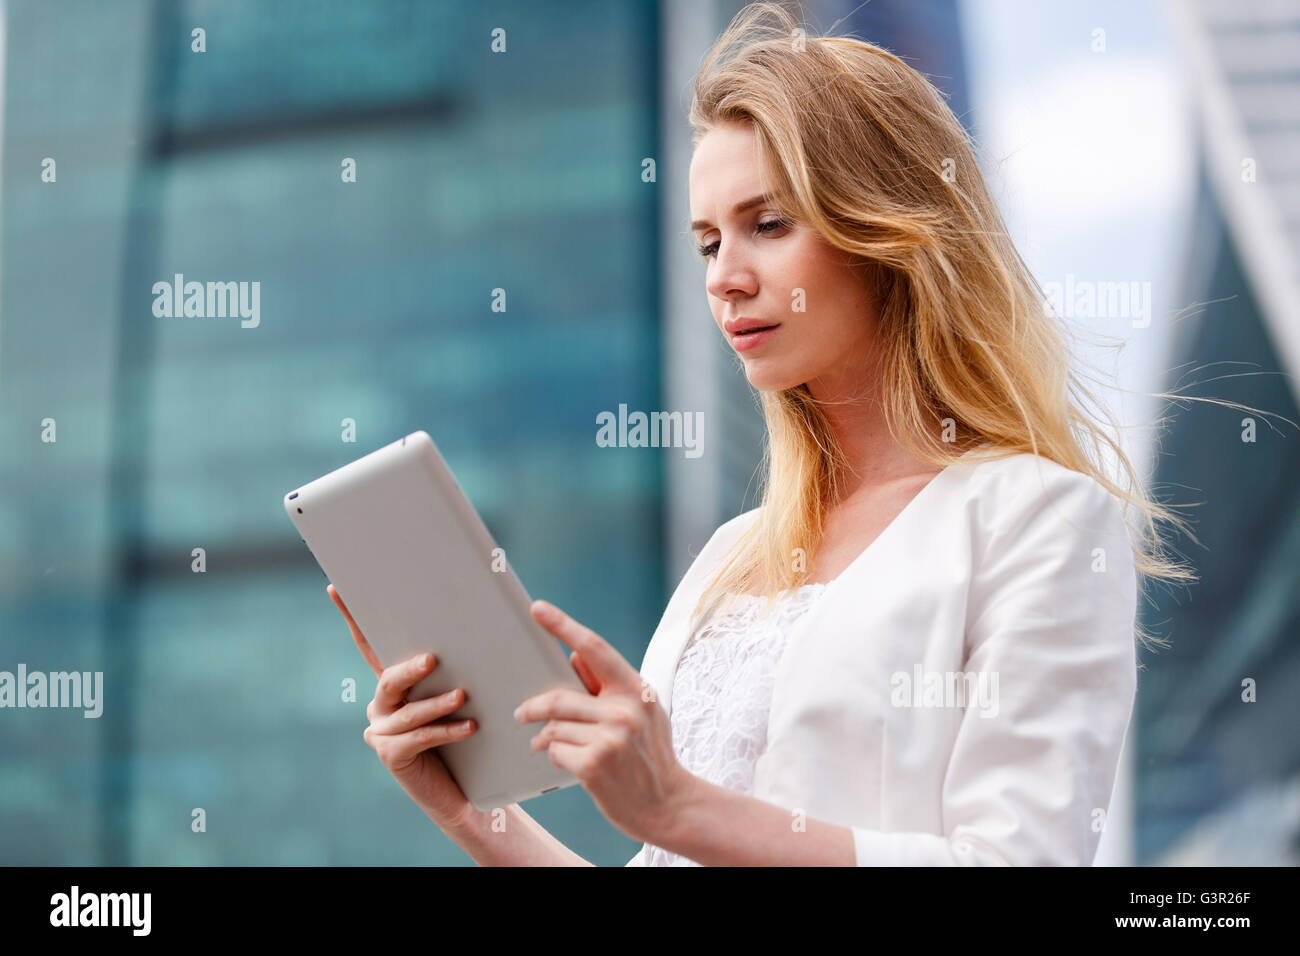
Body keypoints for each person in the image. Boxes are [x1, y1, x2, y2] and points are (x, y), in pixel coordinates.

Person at [329, 1, 1209, 866]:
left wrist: (677, 805)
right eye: (709, 243)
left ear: (888, 232)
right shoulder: (730, 559)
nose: (725, 278)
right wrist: (469, 813)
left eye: (769, 224)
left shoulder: (1039, 520)